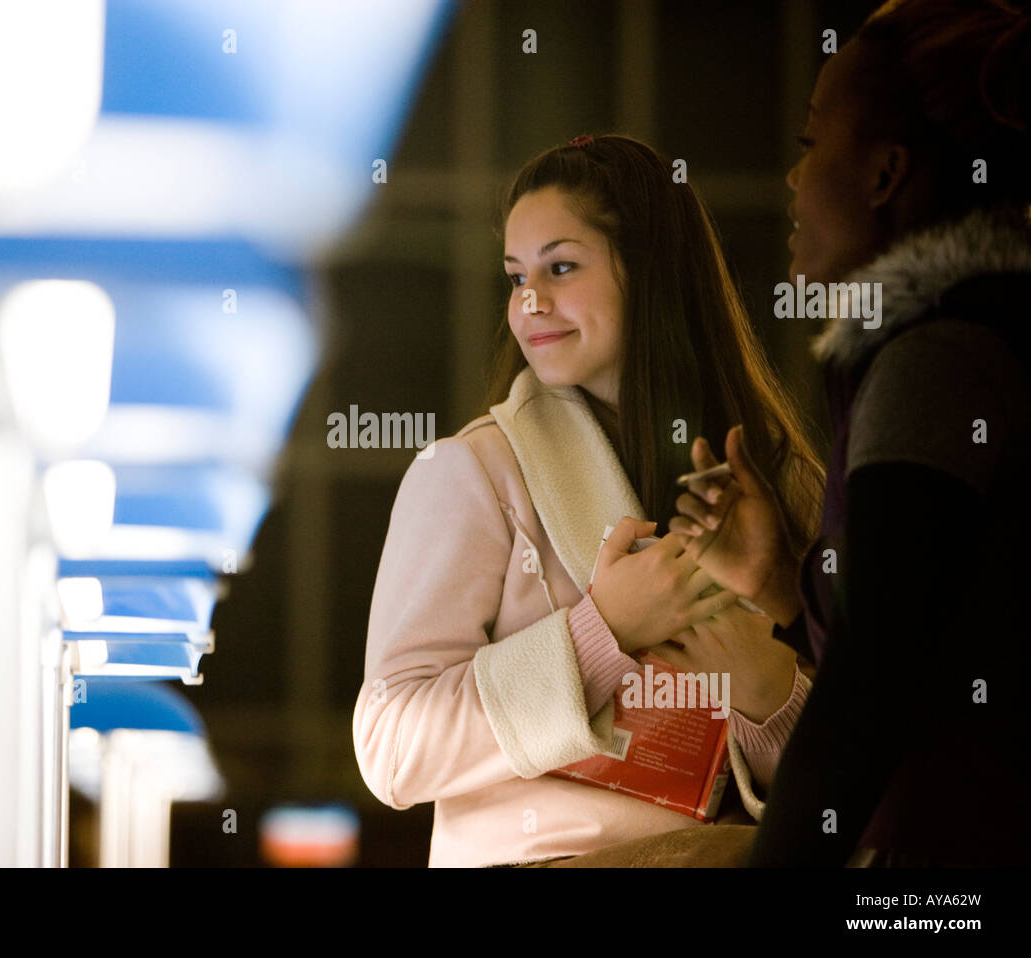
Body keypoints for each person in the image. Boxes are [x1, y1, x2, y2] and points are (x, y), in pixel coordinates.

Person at [353, 133, 825, 867]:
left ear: (651, 274)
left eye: (561, 267)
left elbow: (860, 779)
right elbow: (390, 748)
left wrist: (768, 692)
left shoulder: (778, 480)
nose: (530, 302)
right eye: (516, 277)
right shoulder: (471, 472)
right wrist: (602, 633)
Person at [671, 0, 1031, 866]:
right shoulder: (967, 343)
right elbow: (929, 627)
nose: (794, 181)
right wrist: (783, 588)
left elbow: (869, 698)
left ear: (884, 174)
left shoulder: (936, 363)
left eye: (808, 144)